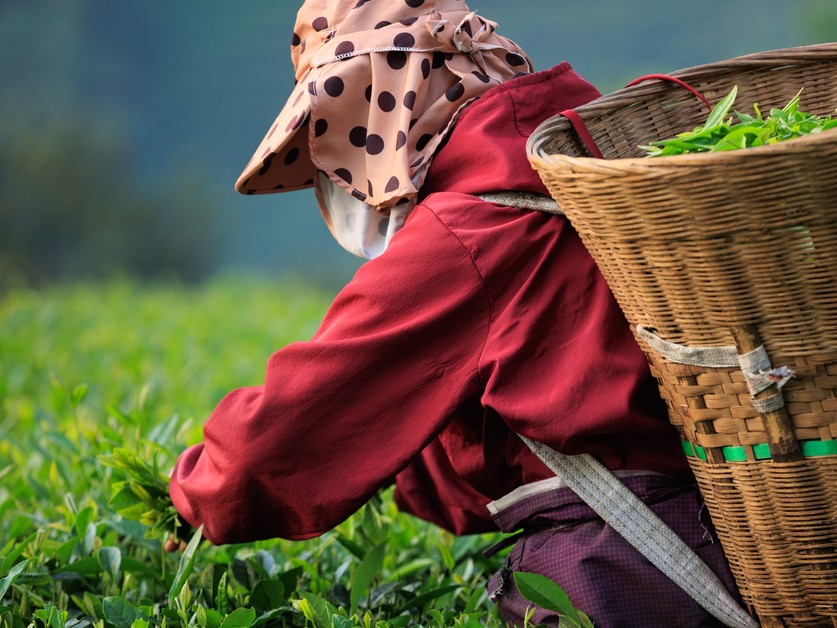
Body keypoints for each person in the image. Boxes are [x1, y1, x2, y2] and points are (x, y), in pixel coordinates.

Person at [168, 0, 742, 625]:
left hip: (619, 571)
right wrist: (383, 464)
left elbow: (279, 438)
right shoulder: (592, 164)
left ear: (385, 102)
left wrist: (196, 493)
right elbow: (510, 435)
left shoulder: (468, 231)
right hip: (724, 531)